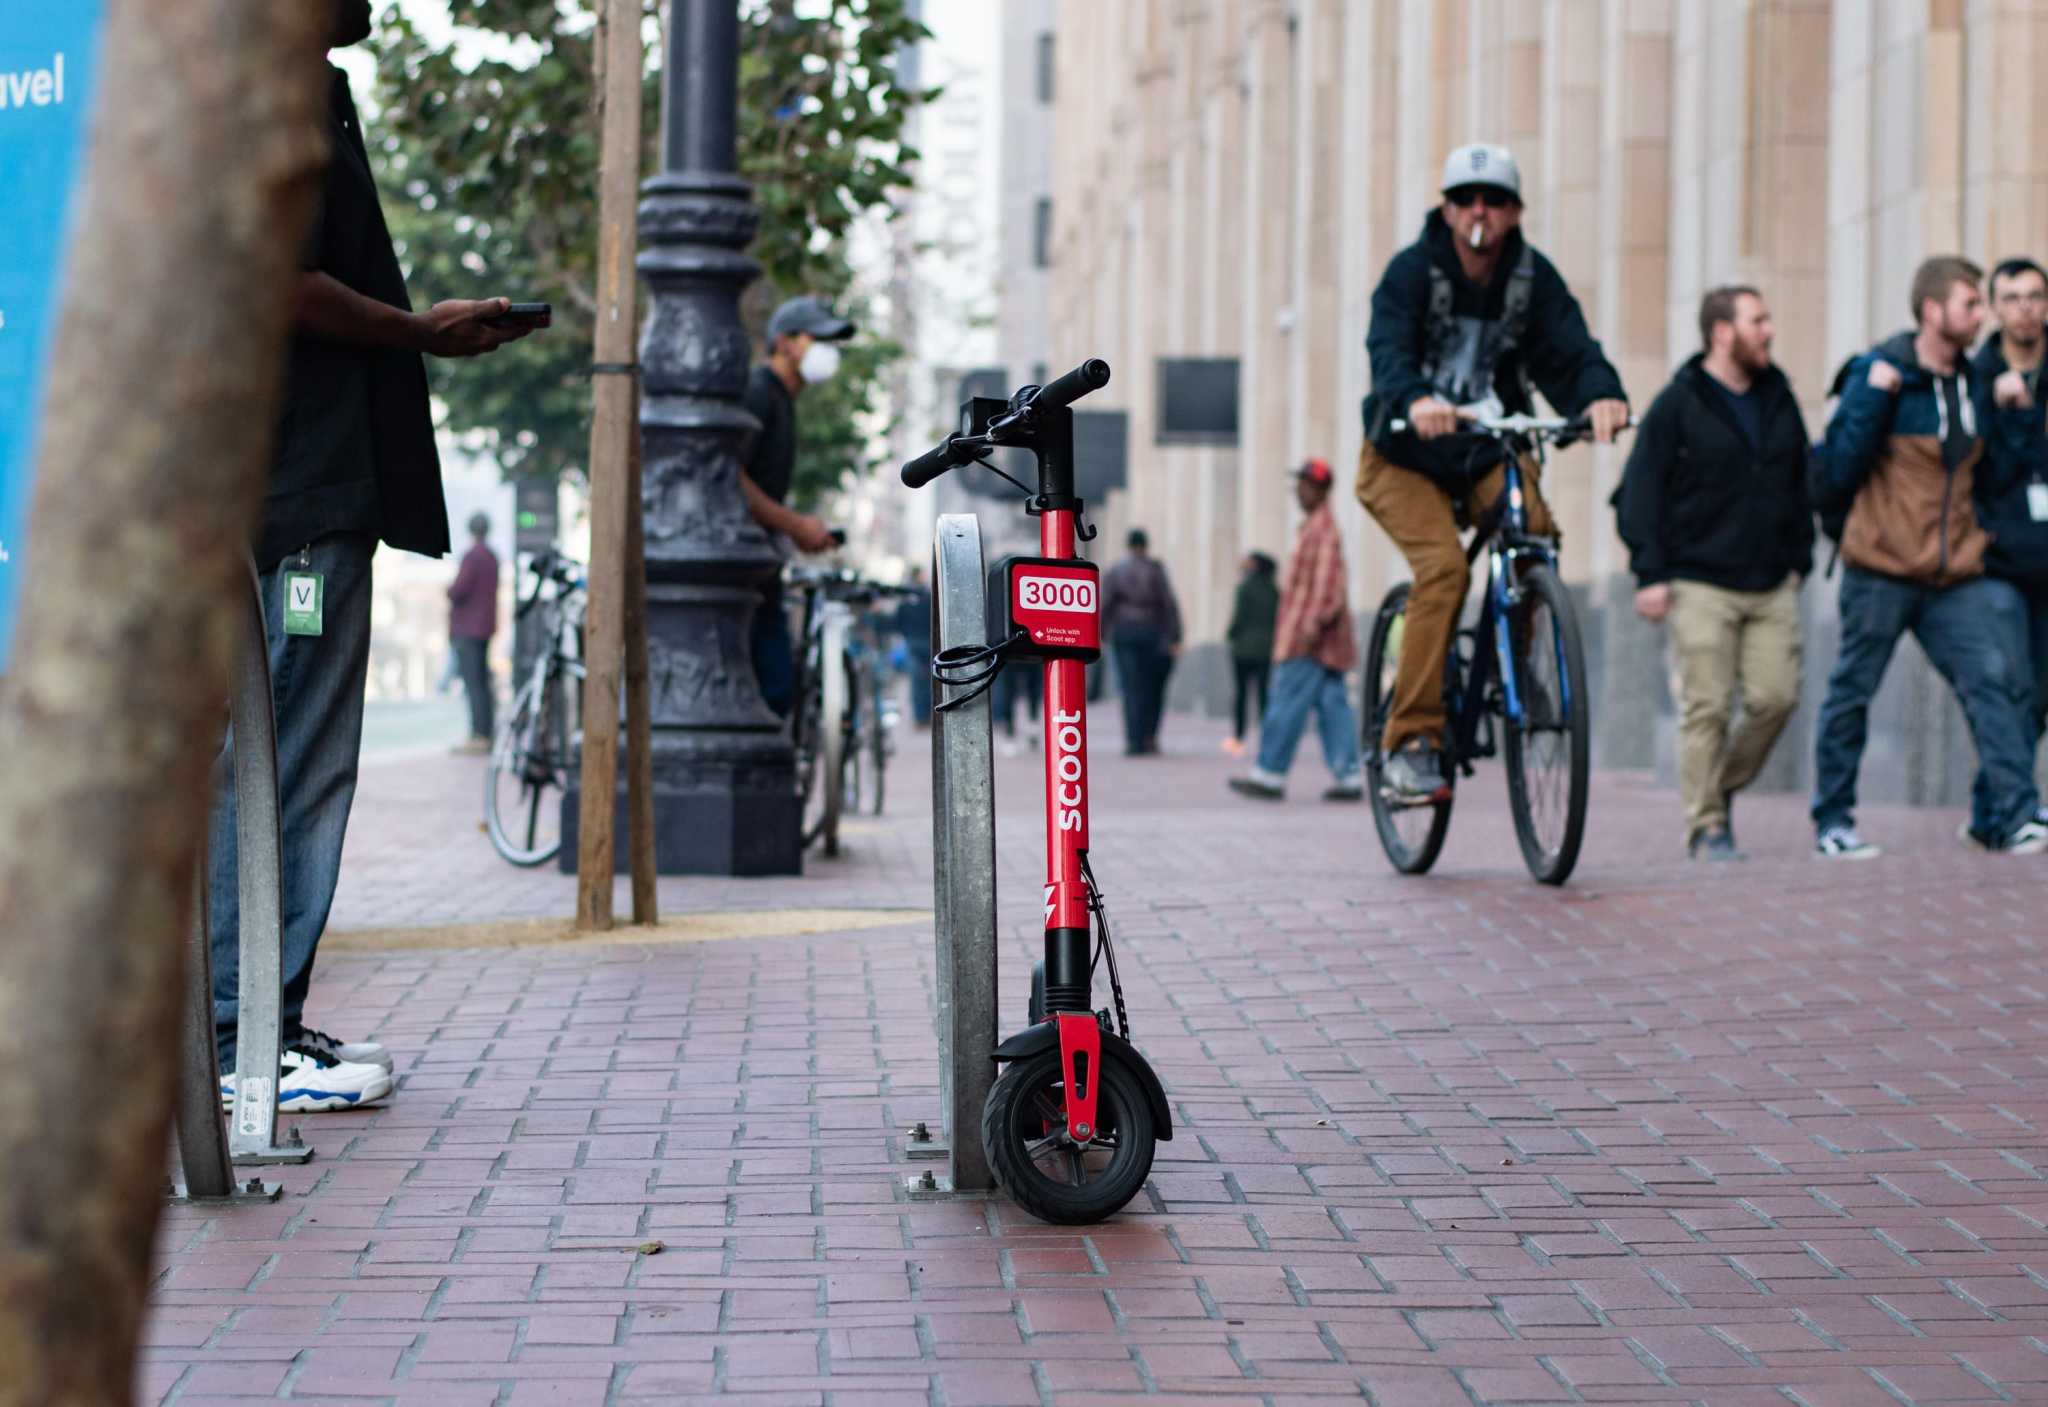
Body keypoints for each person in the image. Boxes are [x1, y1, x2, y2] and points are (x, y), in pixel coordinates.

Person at [212, 0, 539, 1113]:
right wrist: (421, 330)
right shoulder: (280, 87)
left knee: (263, 756)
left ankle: (247, 1024)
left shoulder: (273, 85)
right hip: (298, 492)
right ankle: (243, 1038)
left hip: (278, 481)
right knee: (291, 762)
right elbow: (278, 281)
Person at [1355, 142, 1629, 803]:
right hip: (1402, 454)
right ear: (1447, 210)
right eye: (1467, 198)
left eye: (1496, 199)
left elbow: (1571, 349)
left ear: (1514, 212)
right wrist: (1416, 398)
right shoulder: (1413, 272)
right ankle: (1412, 740)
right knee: (1444, 571)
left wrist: (1600, 394)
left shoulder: (1532, 279)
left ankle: (1521, 650)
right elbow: (1386, 346)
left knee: (1534, 530)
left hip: (1484, 448)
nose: (1481, 211)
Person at [1809, 255, 2044, 858]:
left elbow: (2002, 474)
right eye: (1971, 304)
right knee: (1851, 693)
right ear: (1933, 311)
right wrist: (1871, 400)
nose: (1982, 316)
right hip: (1882, 571)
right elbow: (1833, 472)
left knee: (1995, 681)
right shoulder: (1881, 373)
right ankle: (1833, 822)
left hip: (1954, 576)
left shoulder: (1976, 382)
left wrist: (2011, 413)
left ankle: (2016, 816)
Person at [1615, 287, 1813, 860]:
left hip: (1772, 581)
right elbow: (1639, 493)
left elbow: (1802, 479)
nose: (1769, 331)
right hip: (1700, 580)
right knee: (1707, 706)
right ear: (1722, 332)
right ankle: (1707, 827)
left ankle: (1716, 786)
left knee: (1776, 700)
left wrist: (1799, 557)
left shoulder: (1778, 397)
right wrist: (1649, 573)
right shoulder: (1679, 403)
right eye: (1758, 320)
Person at [1967, 257, 2048, 846]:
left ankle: (1989, 811)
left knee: (2039, 693)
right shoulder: (1977, 378)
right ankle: (2011, 811)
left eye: (2036, 296)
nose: (2027, 307)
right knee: (2011, 684)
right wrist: (2004, 413)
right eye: (2014, 297)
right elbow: (1976, 470)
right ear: (1995, 307)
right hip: (1998, 562)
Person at [741, 295, 854, 717]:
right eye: (817, 339)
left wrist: (797, 530)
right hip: (741, 567)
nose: (828, 352)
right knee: (771, 687)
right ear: (785, 342)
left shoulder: (781, 401)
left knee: (777, 686)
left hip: (761, 562)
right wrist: (794, 525)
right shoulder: (757, 392)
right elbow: (728, 474)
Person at [1228, 460, 1364, 801]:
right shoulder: (1314, 528)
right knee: (1333, 708)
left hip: (1309, 640)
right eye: (1299, 485)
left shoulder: (1322, 531)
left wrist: (1308, 628)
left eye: (1305, 486)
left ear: (1320, 490)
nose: (1298, 492)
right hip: (1324, 641)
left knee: (1285, 703)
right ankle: (1348, 776)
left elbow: (1329, 586)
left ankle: (1269, 773)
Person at [1099, 528, 1182, 755]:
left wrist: (1101, 633)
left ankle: (1133, 740)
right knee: (1151, 688)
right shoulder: (1156, 569)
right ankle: (1149, 737)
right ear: (1146, 546)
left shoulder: (1116, 570)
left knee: (1129, 688)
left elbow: (1105, 604)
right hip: (1151, 632)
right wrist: (1175, 636)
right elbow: (1168, 604)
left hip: (1124, 633)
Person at [447, 511, 499, 752]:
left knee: (473, 683)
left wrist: (448, 590)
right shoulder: (492, 557)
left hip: (468, 628)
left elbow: (458, 590)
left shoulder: (472, 557)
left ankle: (479, 736)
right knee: (482, 683)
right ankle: (487, 733)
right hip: (485, 628)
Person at [1223, 551, 1278, 757]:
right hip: (1265, 649)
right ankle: (1266, 737)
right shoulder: (1274, 590)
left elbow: (1238, 617)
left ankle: (1238, 737)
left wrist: (1230, 634)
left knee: (1241, 694)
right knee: (1264, 694)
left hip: (1243, 649)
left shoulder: (1244, 588)